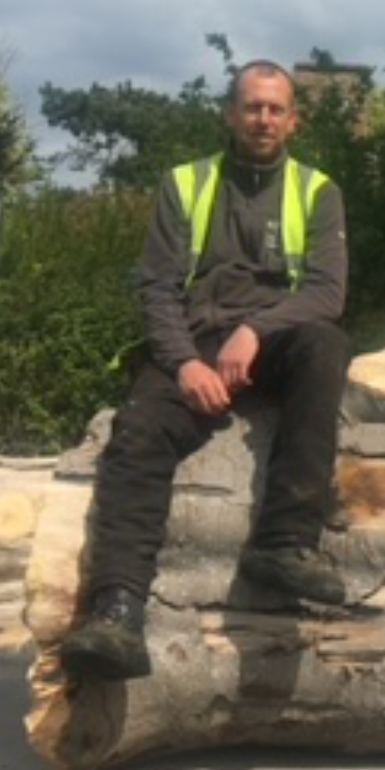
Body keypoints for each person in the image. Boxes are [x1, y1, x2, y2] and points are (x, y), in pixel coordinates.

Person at [61, 60, 353, 682]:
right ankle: (115, 611)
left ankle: (283, 545)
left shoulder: (317, 191)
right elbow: (158, 291)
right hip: (193, 341)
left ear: (294, 121)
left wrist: (256, 330)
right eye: (252, 107)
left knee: (326, 348)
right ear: (229, 114)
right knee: (136, 429)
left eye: (276, 109)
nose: (264, 119)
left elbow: (327, 293)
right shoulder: (185, 185)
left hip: (274, 341)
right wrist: (187, 363)